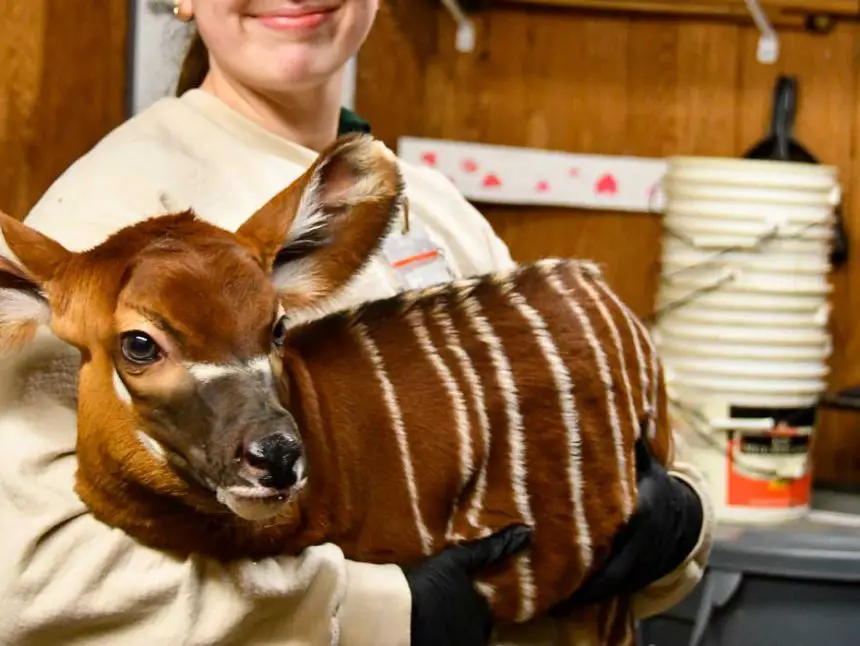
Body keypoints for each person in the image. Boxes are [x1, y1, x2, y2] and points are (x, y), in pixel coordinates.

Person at [0, 1, 714, 644]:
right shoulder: (111, 218)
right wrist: (389, 613)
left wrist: (677, 529)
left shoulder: (432, 205)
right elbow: (36, 581)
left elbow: (565, 459)